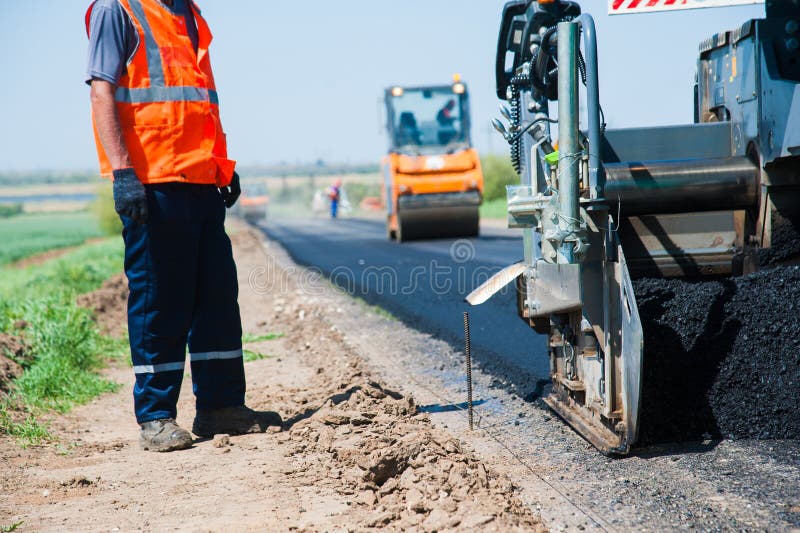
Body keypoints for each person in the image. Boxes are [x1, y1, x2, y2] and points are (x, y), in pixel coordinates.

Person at [85, 0, 281, 452]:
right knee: (160, 303)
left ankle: (220, 407)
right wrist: (122, 173)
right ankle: (155, 416)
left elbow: (198, 103)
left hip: (201, 184)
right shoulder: (120, 10)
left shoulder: (189, 15)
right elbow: (102, 92)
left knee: (215, 300)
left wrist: (222, 167)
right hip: (152, 185)